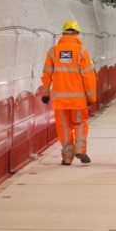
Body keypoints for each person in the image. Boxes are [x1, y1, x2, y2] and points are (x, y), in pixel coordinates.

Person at [41, 20, 97, 165]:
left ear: (63, 33)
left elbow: (46, 74)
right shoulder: (82, 51)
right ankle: (80, 150)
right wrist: (91, 96)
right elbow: (88, 76)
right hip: (78, 99)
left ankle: (67, 157)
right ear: (77, 34)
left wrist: (45, 93)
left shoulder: (53, 51)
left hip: (60, 100)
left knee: (64, 128)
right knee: (79, 124)